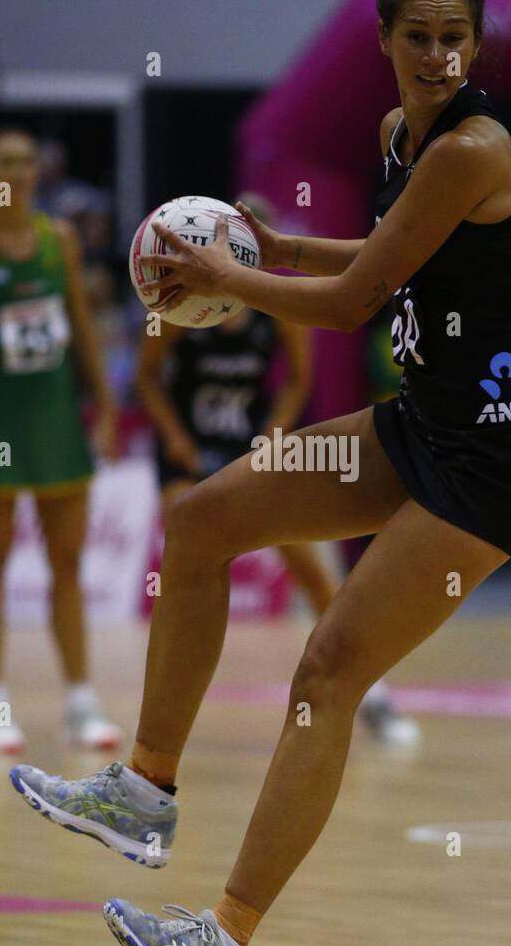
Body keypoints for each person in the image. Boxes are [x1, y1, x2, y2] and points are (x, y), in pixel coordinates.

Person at [11, 0, 511, 946]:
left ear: (475, 47)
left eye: (457, 41)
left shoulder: (472, 148)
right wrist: (273, 239)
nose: (440, 57)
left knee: (327, 667)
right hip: (423, 420)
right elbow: (375, 256)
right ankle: (144, 792)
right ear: (386, 41)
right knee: (200, 519)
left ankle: (221, 943)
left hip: (493, 462)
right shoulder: (403, 135)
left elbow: (346, 305)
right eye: (420, 38)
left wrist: (234, 278)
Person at [135, 200, 421, 745]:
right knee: (184, 534)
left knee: (307, 565)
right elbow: (148, 378)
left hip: (249, 437)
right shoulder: (184, 304)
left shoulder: (275, 305)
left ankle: (376, 697)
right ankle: (162, 720)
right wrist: (172, 434)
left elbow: (299, 380)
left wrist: (275, 430)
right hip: (189, 442)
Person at [0, 128, 121, 753]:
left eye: (26, 160)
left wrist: (107, 406)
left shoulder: (58, 240)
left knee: (67, 564)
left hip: (56, 420)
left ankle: (80, 701)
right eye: (5, 159)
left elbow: (84, 328)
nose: (17, 169)